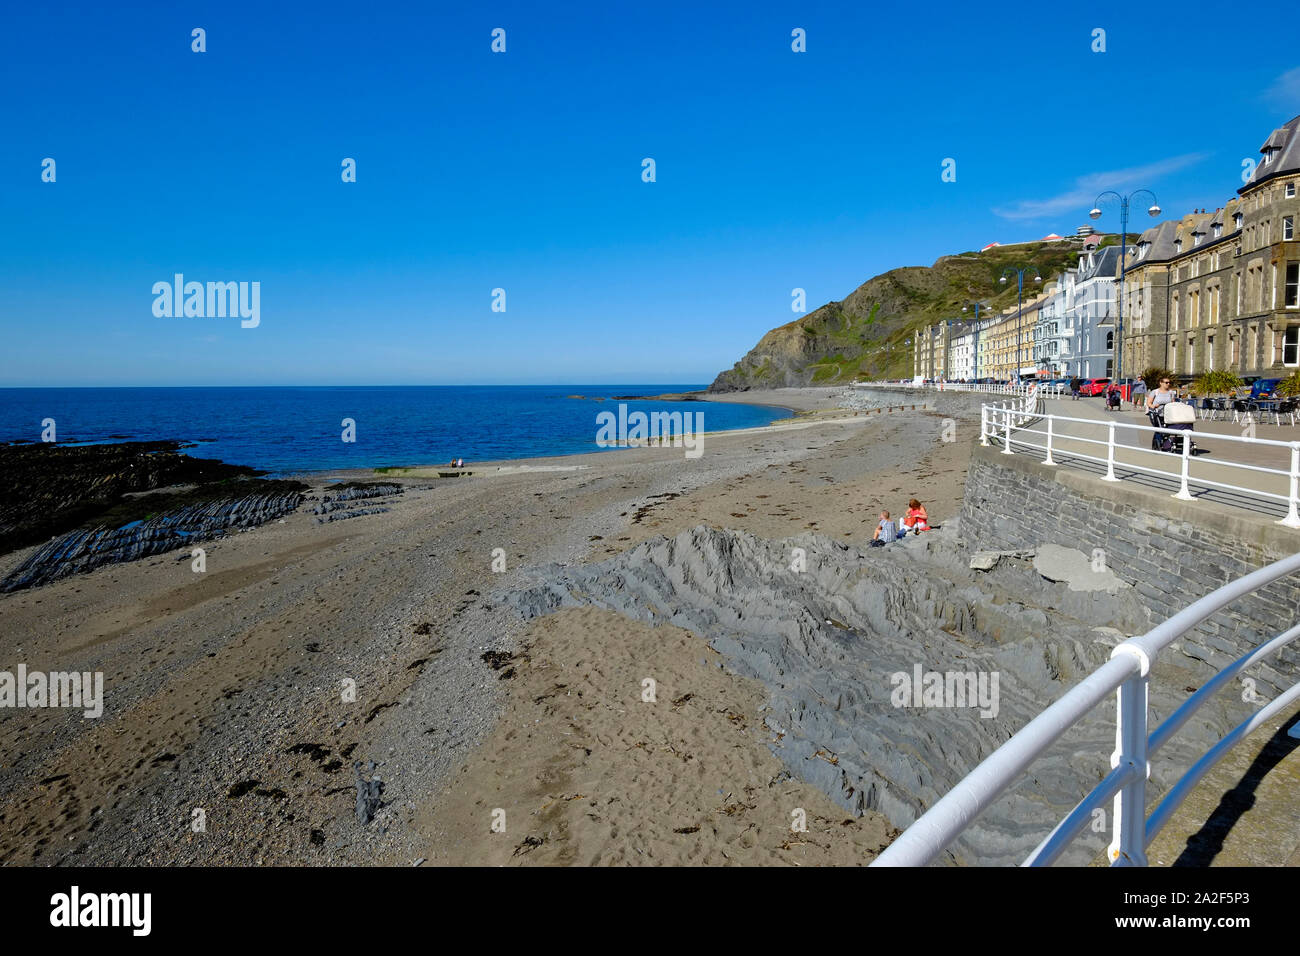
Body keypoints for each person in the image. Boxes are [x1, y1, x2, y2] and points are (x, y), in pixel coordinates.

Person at [1145, 376, 1178, 449]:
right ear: (1161, 383)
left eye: (1169, 382)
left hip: (1167, 414)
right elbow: (1149, 403)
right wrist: (1153, 406)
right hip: (1156, 413)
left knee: (1167, 428)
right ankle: (1157, 444)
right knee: (1158, 428)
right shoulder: (1155, 392)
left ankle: (1166, 444)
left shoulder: (1171, 392)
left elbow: (1173, 402)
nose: (1168, 384)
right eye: (1166, 382)